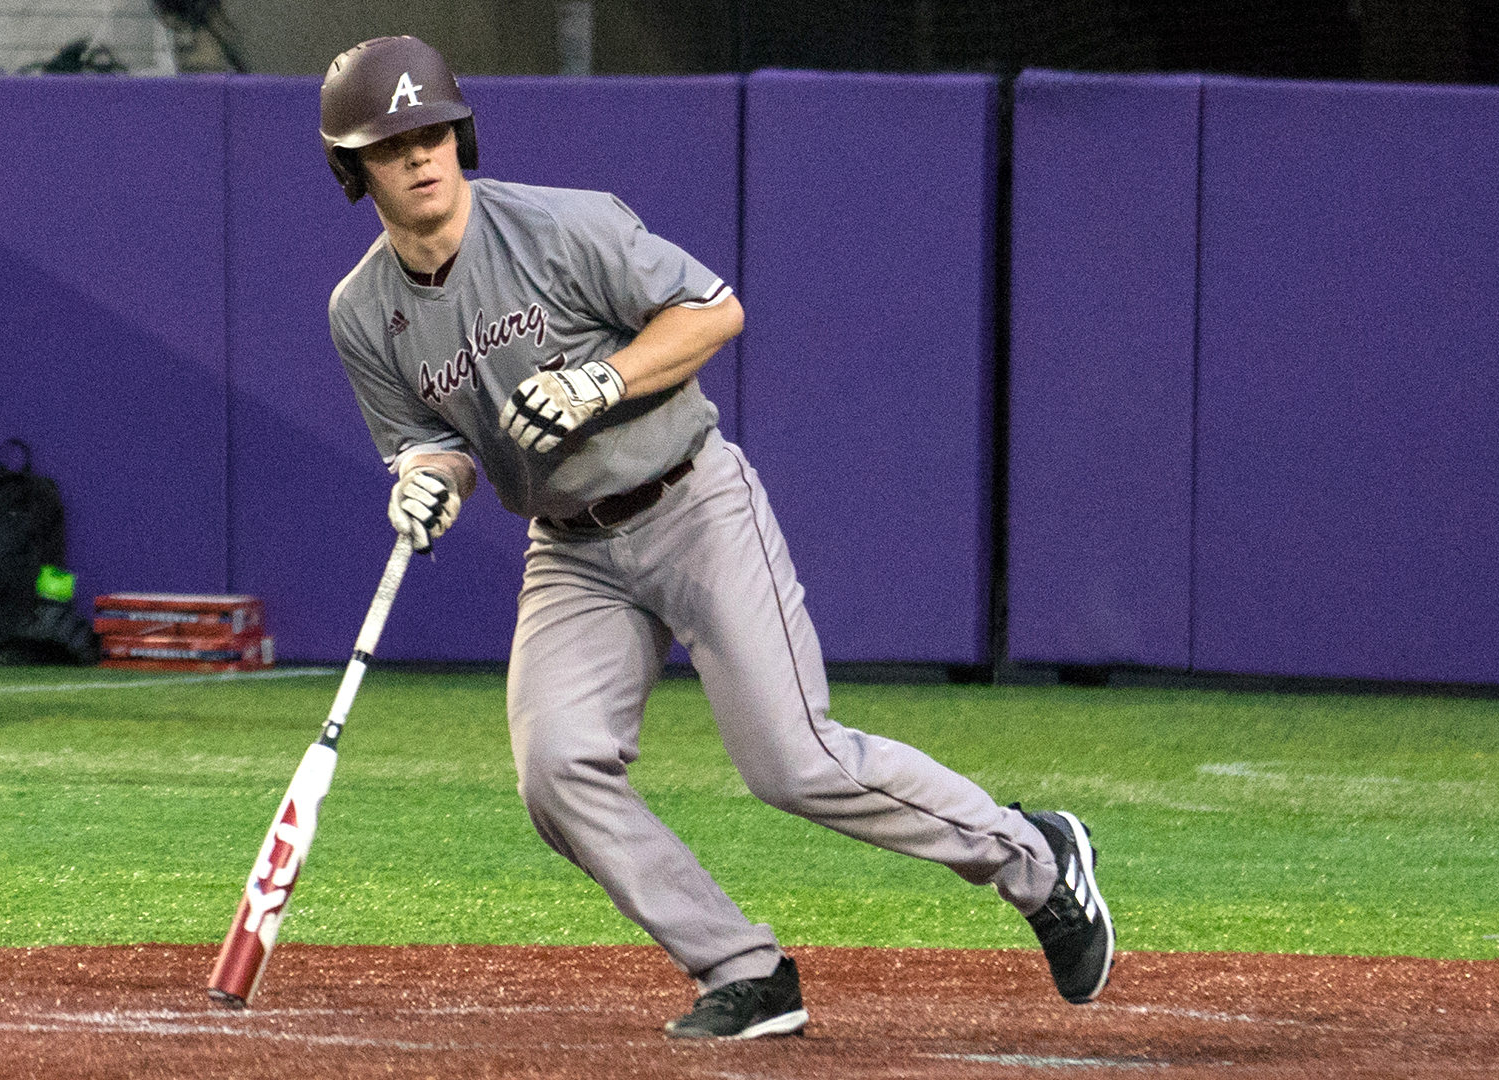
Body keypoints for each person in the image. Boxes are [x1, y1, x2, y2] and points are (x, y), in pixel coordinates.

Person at [320, 37, 1116, 1038]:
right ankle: (741, 968)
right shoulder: (363, 313)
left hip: (690, 499)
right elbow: (431, 444)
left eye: (433, 131)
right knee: (556, 770)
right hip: (571, 550)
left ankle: (1034, 859)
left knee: (794, 763)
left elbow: (711, 310)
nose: (421, 156)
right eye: (393, 146)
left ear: (460, 133)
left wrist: (598, 380)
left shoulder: (564, 226)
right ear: (356, 169)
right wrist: (424, 486)